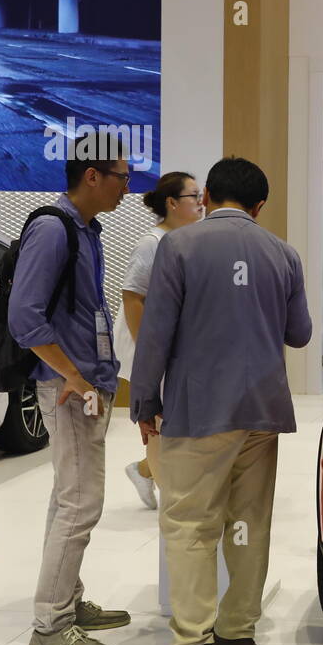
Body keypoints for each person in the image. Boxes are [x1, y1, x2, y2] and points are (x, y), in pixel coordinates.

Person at [126, 156, 312, 645]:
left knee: (189, 521)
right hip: (263, 408)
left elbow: (156, 333)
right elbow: (299, 335)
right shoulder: (284, 254)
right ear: (259, 206)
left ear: (206, 196)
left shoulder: (178, 246)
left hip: (200, 407)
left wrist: (144, 403)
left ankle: (191, 641)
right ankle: (238, 627)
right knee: (247, 520)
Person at [9, 133, 132, 645]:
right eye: (122, 176)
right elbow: (24, 318)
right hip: (66, 391)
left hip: (85, 383)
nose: (129, 186)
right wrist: (73, 377)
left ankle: (67, 601)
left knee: (69, 497)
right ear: (92, 176)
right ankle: (51, 624)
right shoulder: (52, 230)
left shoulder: (88, 230)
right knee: (81, 503)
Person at [115, 172, 204, 508]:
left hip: (173, 346)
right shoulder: (151, 243)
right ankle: (171, 497)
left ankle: (145, 470)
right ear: (172, 203)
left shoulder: (187, 239)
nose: (200, 203)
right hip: (150, 346)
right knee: (158, 419)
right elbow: (132, 297)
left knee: (172, 418)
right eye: (193, 196)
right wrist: (147, 352)